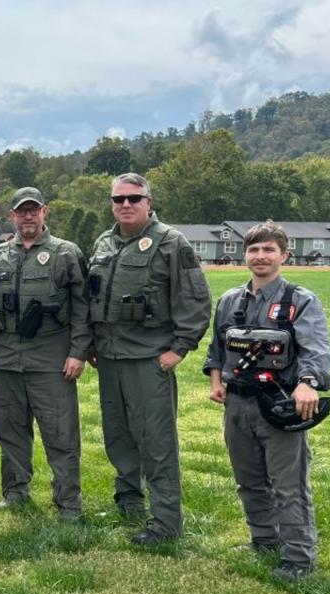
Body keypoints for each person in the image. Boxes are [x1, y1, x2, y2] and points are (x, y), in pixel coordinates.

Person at [203, 222, 330, 580]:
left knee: (288, 485)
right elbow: (217, 349)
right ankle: (264, 539)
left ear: (283, 255)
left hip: (279, 406)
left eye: (268, 250)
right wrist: (216, 381)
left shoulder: (300, 301)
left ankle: (298, 558)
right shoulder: (230, 301)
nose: (260, 257)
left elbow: (316, 349)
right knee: (248, 479)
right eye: (254, 250)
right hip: (237, 404)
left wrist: (308, 383)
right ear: (245, 255)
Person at [86, 173, 211, 544]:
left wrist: (179, 348)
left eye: (134, 198)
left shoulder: (171, 243)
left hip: (148, 358)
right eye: (118, 199)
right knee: (118, 434)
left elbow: (196, 299)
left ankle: (166, 521)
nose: (125, 205)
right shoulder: (104, 242)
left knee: (156, 441)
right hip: (109, 357)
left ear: (149, 202)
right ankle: (128, 500)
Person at [0, 187, 90, 521]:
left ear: (45, 212)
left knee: (60, 431)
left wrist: (78, 352)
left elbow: (84, 308)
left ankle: (68, 501)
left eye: (33, 210)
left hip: (52, 356)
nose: (28, 216)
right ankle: (15, 491)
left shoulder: (66, 253)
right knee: (10, 429)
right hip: (7, 355)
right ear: (11, 215)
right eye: (21, 211)